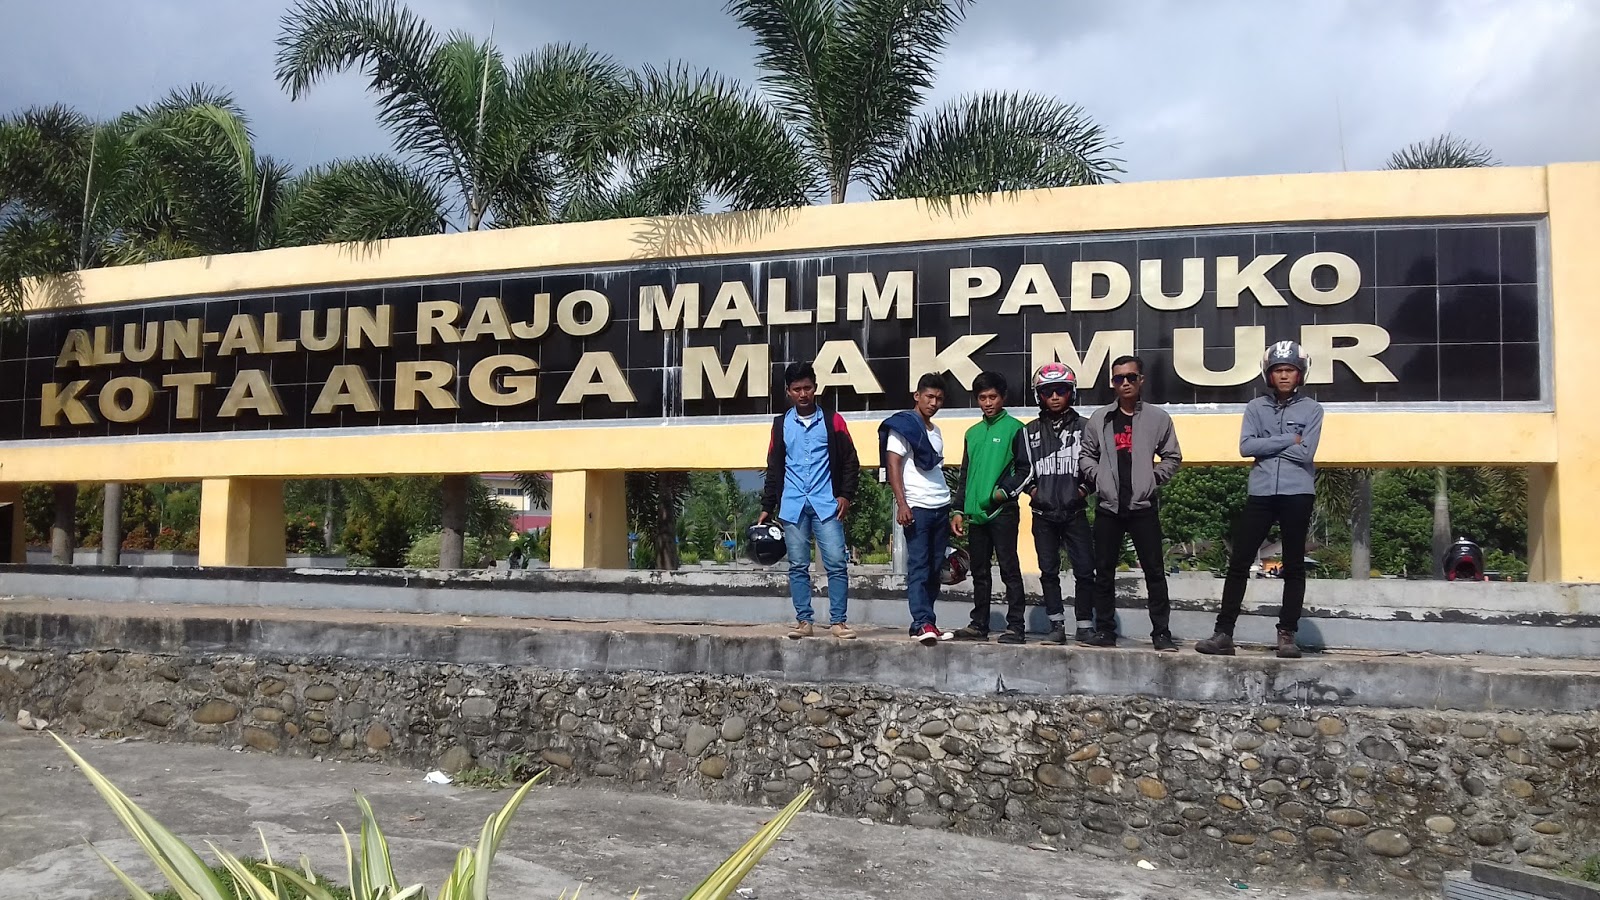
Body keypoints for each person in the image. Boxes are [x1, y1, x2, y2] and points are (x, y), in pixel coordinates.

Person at [1197, 341, 1323, 659]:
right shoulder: (1255, 408)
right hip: (1261, 492)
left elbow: (1306, 453)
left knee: (1294, 565)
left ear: (1300, 374)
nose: (1284, 376)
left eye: (1290, 370)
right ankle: (1223, 633)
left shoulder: (1313, 410)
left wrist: (1267, 443)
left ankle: (1287, 635)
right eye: (1278, 370)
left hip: (1298, 493)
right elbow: (1246, 447)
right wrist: (1287, 439)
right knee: (1239, 562)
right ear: (1268, 374)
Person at [1079, 355, 1183, 651]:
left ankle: (1161, 633)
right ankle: (1105, 632)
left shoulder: (1157, 418)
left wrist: (1153, 477)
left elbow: (1173, 456)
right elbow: (1086, 454)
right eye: (1118, 378)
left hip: (1143, 507)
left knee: (1154, 572)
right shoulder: (1100, 419)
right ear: (1112, 383)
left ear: (1141, 380)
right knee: (1104, 572)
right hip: (1108, 507)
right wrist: (1098, 476)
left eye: (1130, 377)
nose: (1124, 383)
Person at [759, 361, 861, 640]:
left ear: (815, 388)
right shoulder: (780, 425)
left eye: (808, 388)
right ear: (788, 392)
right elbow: (774, 467)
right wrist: (767, 507)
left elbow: (851, 461)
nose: (803, 394)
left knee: (837, 563)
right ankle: (804, 621)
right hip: (793, 504)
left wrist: (845, 495)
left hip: (826, 503)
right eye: (797, 389)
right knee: (798, 565)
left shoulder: (833, 421)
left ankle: (838, 622)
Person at [1013, 363, 1096, 645]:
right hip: (1043, 513)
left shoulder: (1087, 427)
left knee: (1085, 569)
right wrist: (1035, 491)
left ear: (1071, 392)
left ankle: (1085, 626)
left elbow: (1098, 467)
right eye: (1048, 391)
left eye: (1061, 390)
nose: (1055, 396)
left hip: (1075, 511)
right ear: (1040, 395)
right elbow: (1021, 470)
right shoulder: (1028, 432)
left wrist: (1084, 490)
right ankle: (1056, 626)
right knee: (1049, 571)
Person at [949, 372, 1028, 644]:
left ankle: (1016, 626)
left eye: (992, 397)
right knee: (979, 571)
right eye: (982, 398)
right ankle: (978, 624)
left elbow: (1025, 470)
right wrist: (958, 510)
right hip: (976, 516)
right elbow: (965, 476)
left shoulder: (1016, 428)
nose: (987, 403)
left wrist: (1001, 493)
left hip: (1002, 511)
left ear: (1002, 397)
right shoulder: (972, 434)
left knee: (1009, 568)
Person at [879, 373, 954, 645]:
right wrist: (902, 503)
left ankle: (926, 623)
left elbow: (934, 469)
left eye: (939, 399)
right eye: (929, 397)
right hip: (917, 507)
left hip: (940, 504)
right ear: (917, 396)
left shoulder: (937, 431)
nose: (933, 403)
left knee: (935, 568)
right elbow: (893, 466)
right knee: (919, 565)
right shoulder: (903, 426)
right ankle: (921, 621)